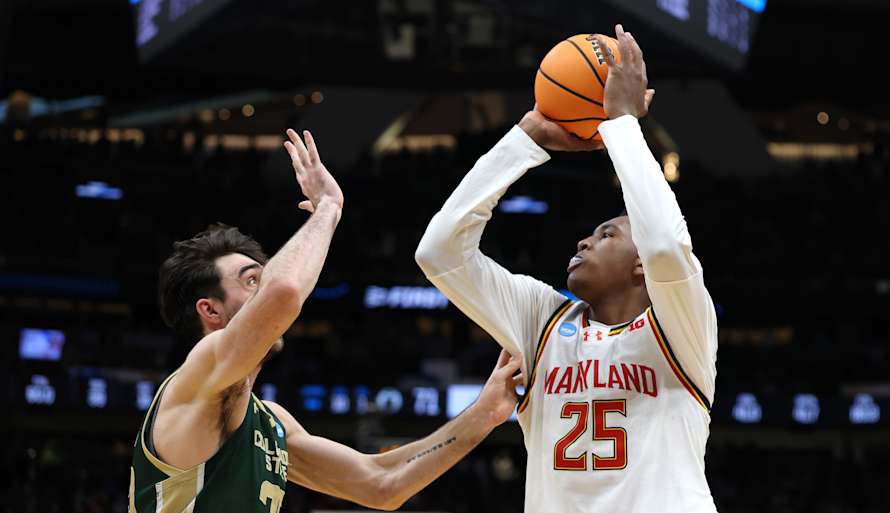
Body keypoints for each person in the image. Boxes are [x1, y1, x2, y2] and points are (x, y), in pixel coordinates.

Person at [128, 129, 524, 513]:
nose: (263, 286)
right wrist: (328, 208)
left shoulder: (271, 421)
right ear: (210, 310)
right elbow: (283, 291)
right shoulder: (197, 376)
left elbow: (380, 485)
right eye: (251, 281)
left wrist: (484, 414)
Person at [415, 25, 718, 512]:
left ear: (640, 266)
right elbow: (439, 254)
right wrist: (525, 140)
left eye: (607, 234)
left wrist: (621, 124)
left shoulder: (683, 325)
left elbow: (665, 244)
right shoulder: (544, 321)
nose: (584, 239)